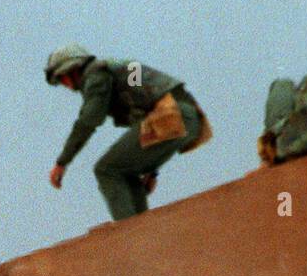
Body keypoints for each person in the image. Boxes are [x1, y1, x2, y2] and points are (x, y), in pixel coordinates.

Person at [44, 43, 211, 220]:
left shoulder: (96, 76)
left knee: (107, 170)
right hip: (188, 117)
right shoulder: (116, 67)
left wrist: (62, 162)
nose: (65, 85)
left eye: (62, 78)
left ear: (73, 69)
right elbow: (144, 101)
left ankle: (130, 237)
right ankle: (143, 233)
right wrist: (151, 169)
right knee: (125, 170)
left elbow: (88, 121)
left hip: (171, 115)